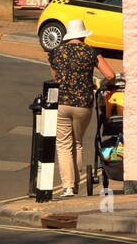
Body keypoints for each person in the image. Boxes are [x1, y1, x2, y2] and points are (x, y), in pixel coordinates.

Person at [47, 19, 116, 198]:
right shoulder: (91, 52)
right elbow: (110, 75)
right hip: (84, 104)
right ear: (83, 36)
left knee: (63, 145)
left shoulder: (56, 52)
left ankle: (68, 187)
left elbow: (54, 77)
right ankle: (76, 184)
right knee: (78, 143)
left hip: (62, 102)